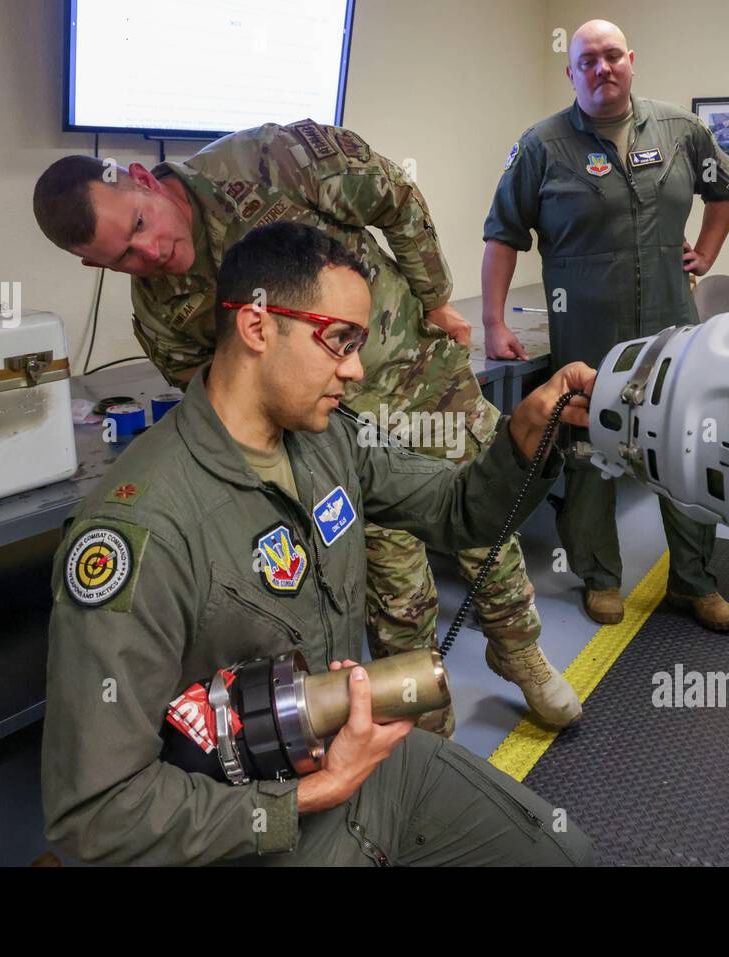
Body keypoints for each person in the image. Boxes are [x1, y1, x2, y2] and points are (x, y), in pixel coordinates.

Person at [41, 222, 595, 866]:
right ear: (256, 326)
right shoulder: (143, 532)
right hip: (247, 815)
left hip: (351, 752)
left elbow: (456, 509)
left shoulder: (325, 439)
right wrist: (311, 794)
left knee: (564, 856)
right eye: (338, 341)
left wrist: (527, 435)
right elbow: (99, 812)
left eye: (358, 343)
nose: (356, 369)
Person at [32, 122, 581, 732]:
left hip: (418, 377)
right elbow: (219, 394)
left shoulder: (272, 160)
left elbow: (395, 198)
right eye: (123, 258)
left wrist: (434, 297)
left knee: (484, 518)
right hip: (333, 434)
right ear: (93, 262)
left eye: (140, 225)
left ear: (141, 179)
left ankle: (518, 650)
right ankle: (425, 717)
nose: (151, 254)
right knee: (395, 585)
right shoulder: (159, 309)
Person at [482, 19, 729, 631]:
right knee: (588, 453)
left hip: (673, 330)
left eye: (611, 57)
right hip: (585, 332)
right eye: (587, 61)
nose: (602, 69)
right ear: (570, 71)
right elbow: (502, 235)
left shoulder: (680, 130)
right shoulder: (542, 145)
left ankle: (695, 583)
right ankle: (600, 578)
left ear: (630, 61)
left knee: (686, 449)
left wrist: (705, 253)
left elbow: (728, 189)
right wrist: (494, 322)